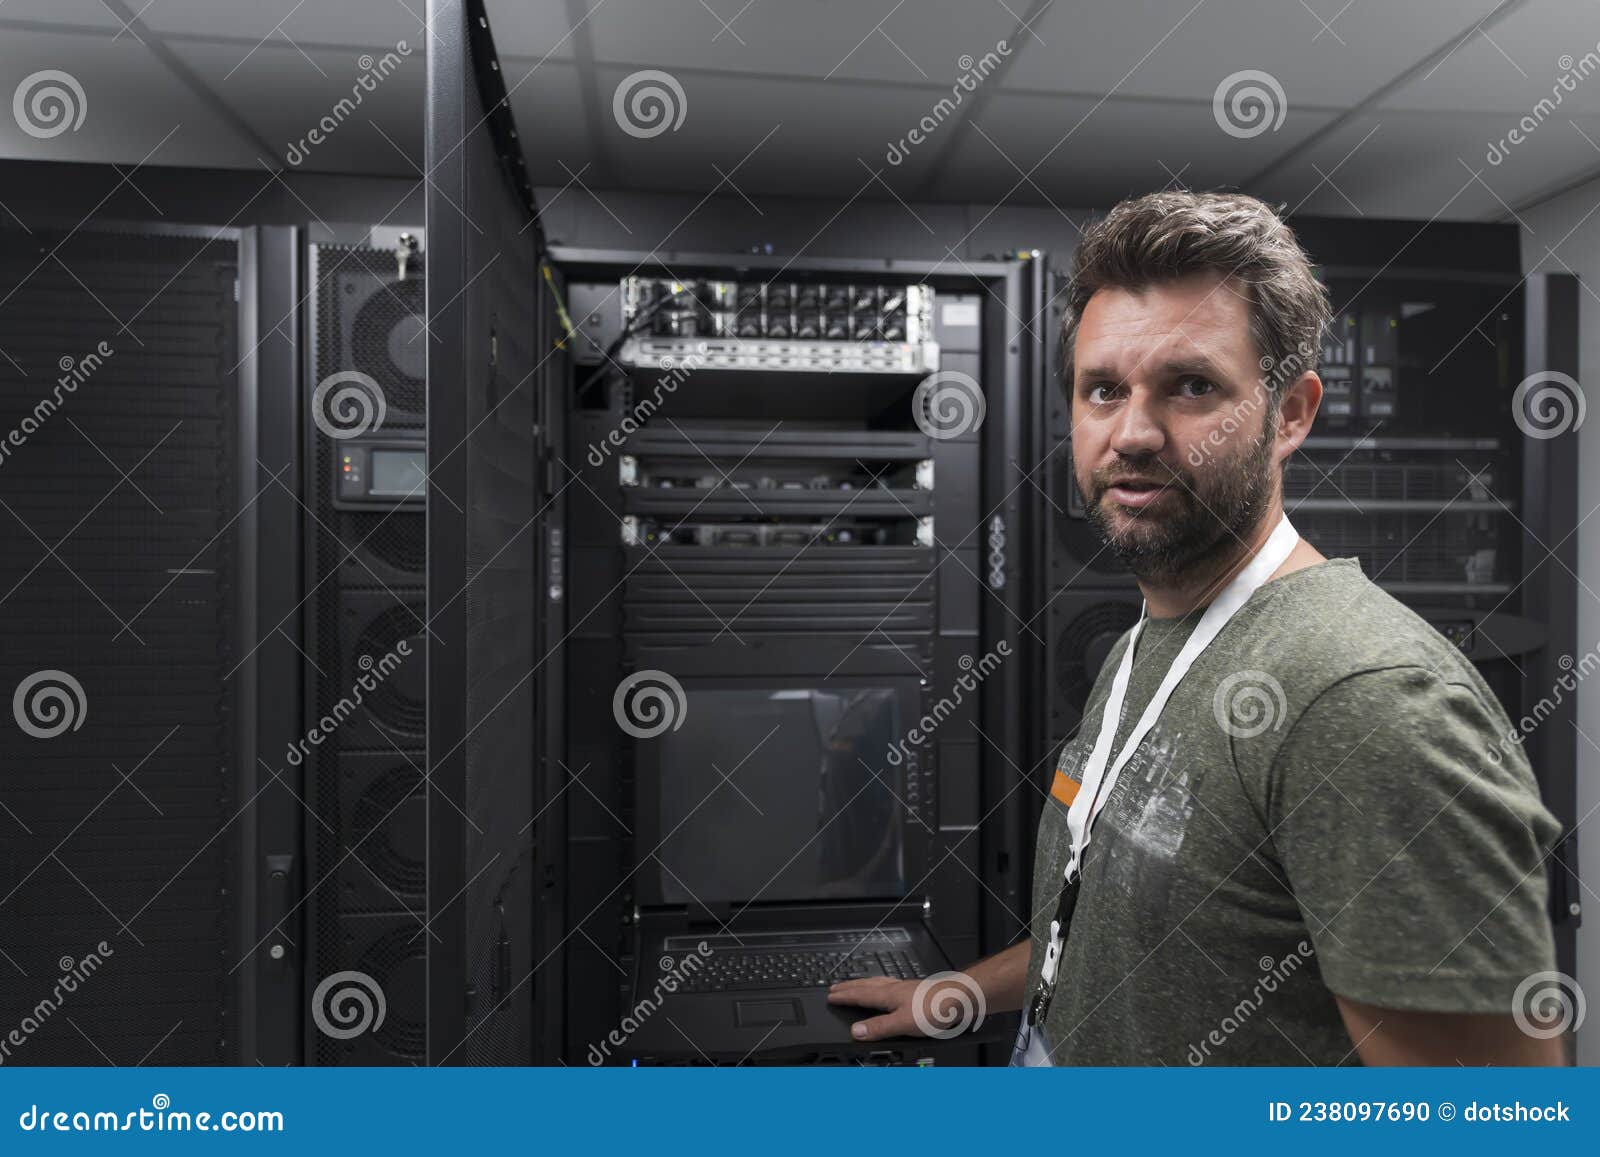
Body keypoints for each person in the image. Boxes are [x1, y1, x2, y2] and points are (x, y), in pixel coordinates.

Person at [829, 190, 1566, 1065]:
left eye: (1191, 386)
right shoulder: (1151, 634)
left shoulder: (1367, 703)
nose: (1133, 433)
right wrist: (952, 995)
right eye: (1103, 389)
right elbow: (1120, 931)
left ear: (1289, 413)